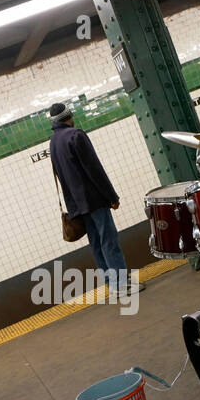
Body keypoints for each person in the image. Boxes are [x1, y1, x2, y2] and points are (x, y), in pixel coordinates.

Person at [47, 102, 143, 295]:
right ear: (70, 115)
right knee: (109, 240)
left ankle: (113, 285)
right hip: (94, 199)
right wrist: (111, 196)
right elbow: (94, 169)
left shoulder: (53, 142)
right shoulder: (76, 135)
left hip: (77, 205)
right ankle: (123, 285)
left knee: (97, 243)